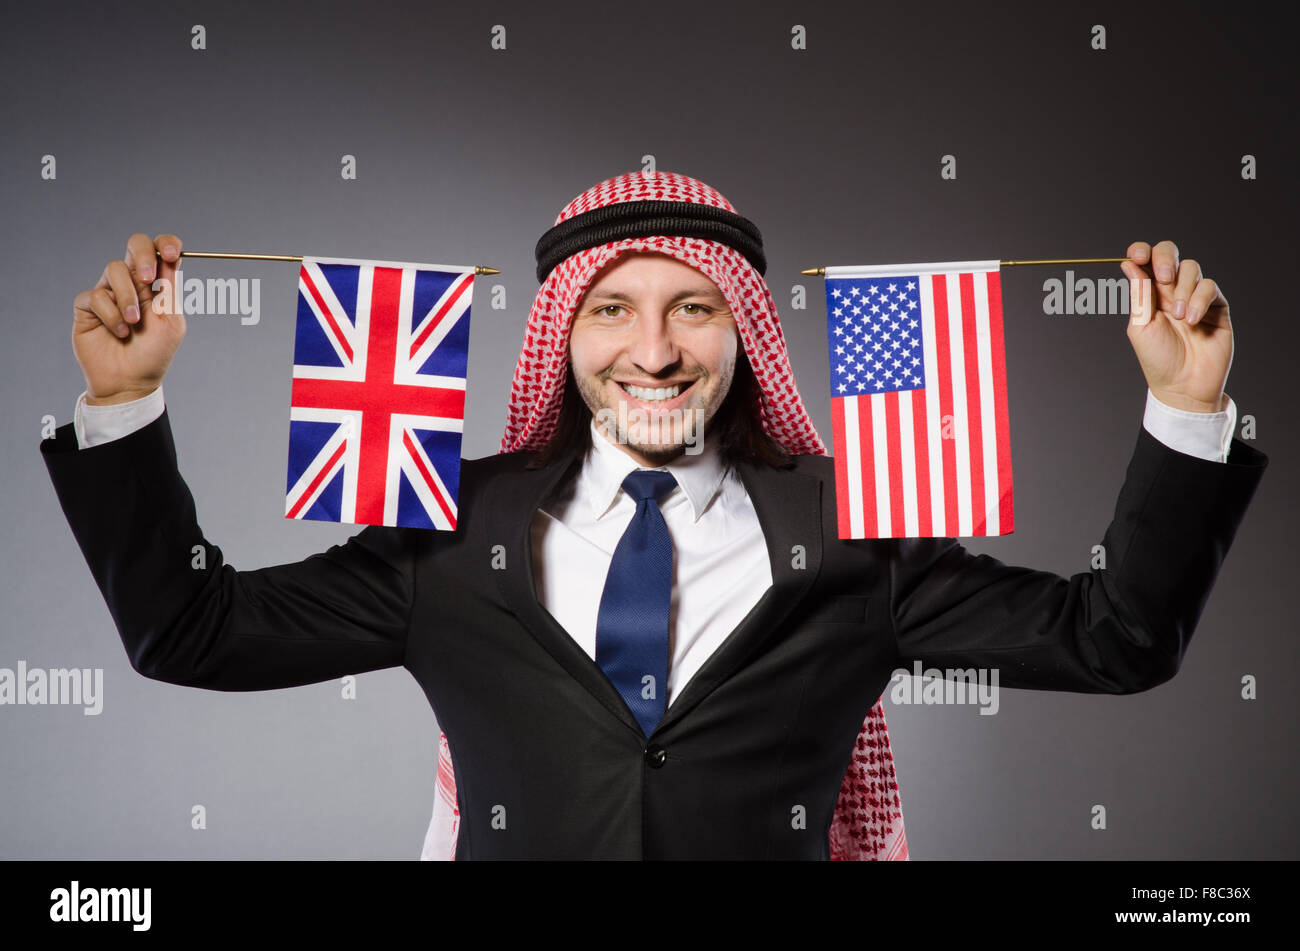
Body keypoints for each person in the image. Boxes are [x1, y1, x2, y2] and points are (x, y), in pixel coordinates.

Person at [44, 171, 1266, 860]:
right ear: (560, 335)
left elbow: (1117, 640)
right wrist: (130, 402)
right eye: (610, 312)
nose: (654, 352)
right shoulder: (444, 537)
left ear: (743, 330)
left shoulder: (855, 532)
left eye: (693, 310)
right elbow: (191, 633)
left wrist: (1181, 409)